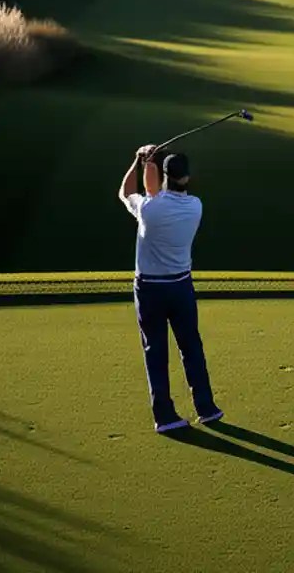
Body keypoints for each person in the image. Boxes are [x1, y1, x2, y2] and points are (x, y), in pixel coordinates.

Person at [118, 144, 223, 433]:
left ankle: (164, 417)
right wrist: (150, 162)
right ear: (187, 178)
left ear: (165, 176)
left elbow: (126, 193)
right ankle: (207, 408)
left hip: (150, 289)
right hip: (181, 287)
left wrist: (139, 161)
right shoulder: (195, 206)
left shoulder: (150, 209)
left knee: (156, 351)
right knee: (192, 347)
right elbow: (154, 190)